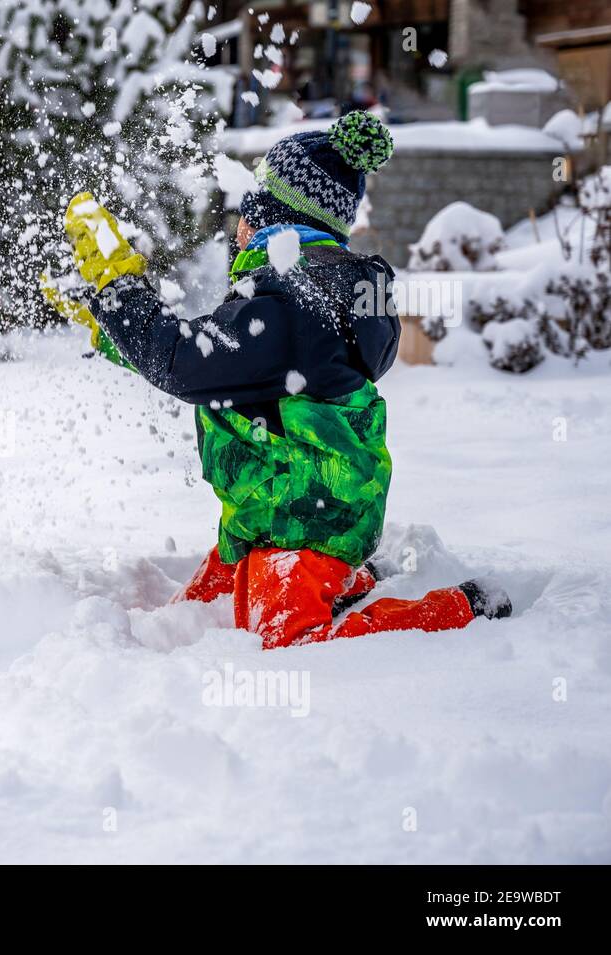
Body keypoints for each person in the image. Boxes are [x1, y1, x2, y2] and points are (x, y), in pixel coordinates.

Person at [47, 110, 511, 649]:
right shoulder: (305, 300)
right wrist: (108, 331)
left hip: (301, 528)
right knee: (198, 613)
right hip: (268, 520)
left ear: (276, 223)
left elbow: (183, 361)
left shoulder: (291, 310)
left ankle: (458, 608)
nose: (238, 229)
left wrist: (118, 291)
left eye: (249, 214)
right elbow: (210, 360)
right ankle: (347, 584)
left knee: (288, 640)